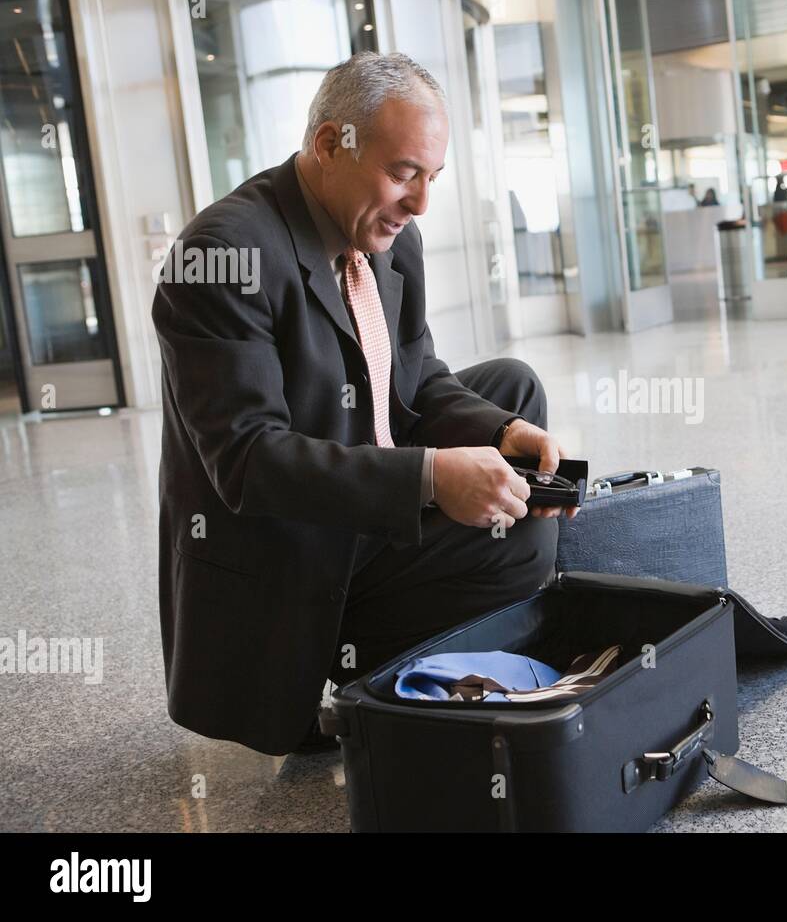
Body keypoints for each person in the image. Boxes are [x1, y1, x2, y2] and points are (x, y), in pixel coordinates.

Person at [151, 52, 576, 756]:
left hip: (358, 482)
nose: (420, 205)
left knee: (514, 388)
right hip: (295, 548)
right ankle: (359, 667)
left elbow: (415, 379)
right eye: (405, 172)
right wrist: (433, 478)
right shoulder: (223, 255)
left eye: (432, 178)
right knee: (522, 537)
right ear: (328, 145)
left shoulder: (386, 237)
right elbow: (249, 462)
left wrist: (500, 431)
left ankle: (442, 632)